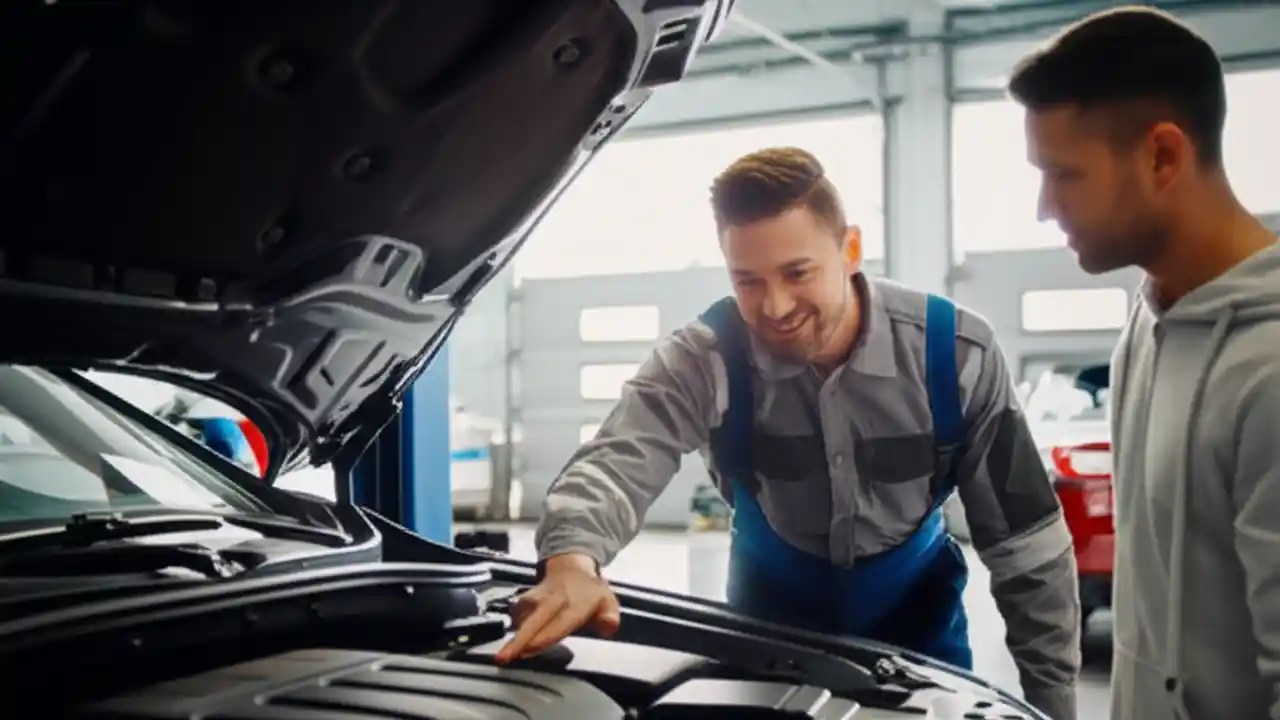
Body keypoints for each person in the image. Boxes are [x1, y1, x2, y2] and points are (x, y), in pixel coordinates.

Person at [495, 146, 1081, 719]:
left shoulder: (954, 354)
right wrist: (573, 560)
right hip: (765, 638)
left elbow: (1026, 549)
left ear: (850, 248)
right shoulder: (706, 357)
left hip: (920, 642)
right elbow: (619, 459)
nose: (774, 306)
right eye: (747, 280)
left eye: (797, 273)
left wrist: (1053, 704)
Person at [1009, 7, 1280, 720]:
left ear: (1163, 156)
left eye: (1063, 175)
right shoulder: (1149, 315)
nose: (1043, 207)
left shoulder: (1271, 374)